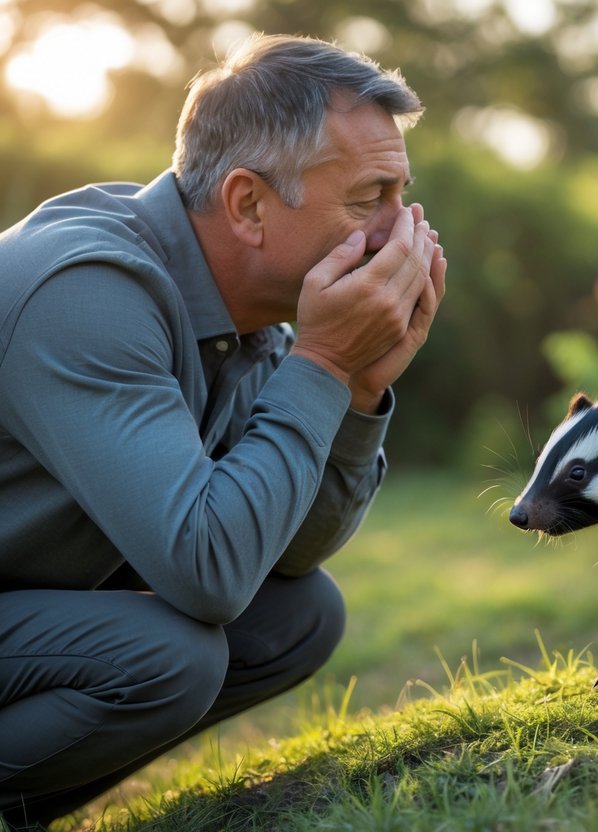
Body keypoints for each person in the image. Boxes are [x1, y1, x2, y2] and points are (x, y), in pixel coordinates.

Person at [0, 33, 447, 828]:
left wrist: (355, 385)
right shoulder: (86, 291)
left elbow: (286, 555)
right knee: (167, 658)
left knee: (298, 617)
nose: (398, 229)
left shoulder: (249, 320)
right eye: (367, 197)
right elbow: (207, 568)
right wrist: (321, 358)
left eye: (401, 193)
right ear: (247, 204)